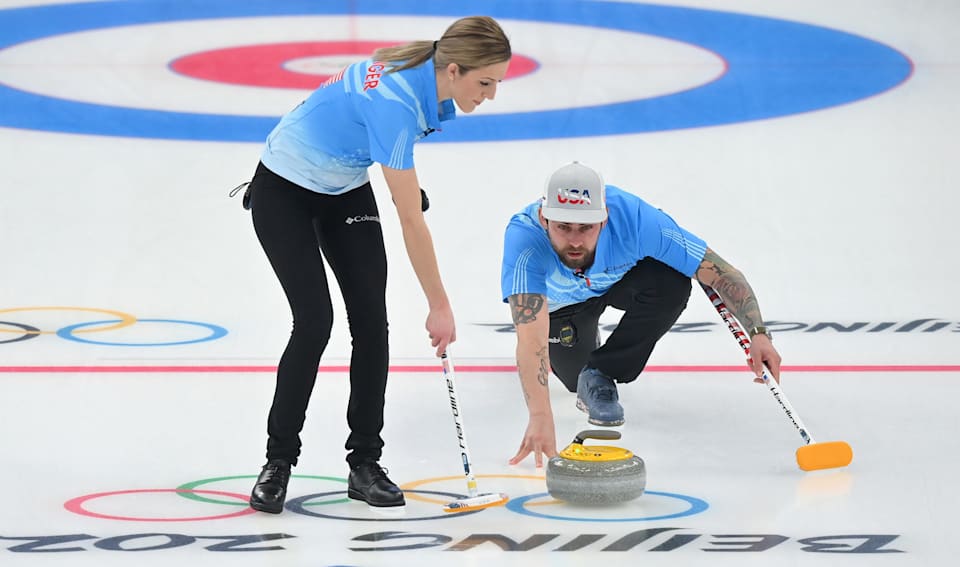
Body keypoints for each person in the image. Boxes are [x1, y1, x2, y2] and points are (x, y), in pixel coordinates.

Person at [240, 16, 512, 513]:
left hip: (342, 186)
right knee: (314, 322)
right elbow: (411, 221)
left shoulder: (421, 71)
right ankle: (277, 461)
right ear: (452, 70)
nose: (491, 95)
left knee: (371, 324)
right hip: (283, 189)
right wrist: (439, 305)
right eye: (485, 82)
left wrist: (402, 175)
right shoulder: (397, 104)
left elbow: (371, 137)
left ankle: (365, 463)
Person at [500, 161, 783, 467]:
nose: (575, 241)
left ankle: (602, 370)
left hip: (619, 281)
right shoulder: (524, 238)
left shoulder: (636, 219)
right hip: (563, 308)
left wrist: (758, 334)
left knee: (672, 282)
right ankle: (585, 347)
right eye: (563, 228)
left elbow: (721, 273)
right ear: (544, 218)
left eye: (586, 228)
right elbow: (531, 339)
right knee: (571, 380)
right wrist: (540, 416)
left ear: (605, 218)